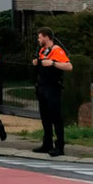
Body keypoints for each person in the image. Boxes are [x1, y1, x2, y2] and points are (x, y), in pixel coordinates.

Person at [32, 27, 73, 156]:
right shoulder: (43, 50)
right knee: (45, 117)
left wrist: (53, 63)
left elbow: (68, 66)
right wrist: (36, 63)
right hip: (42, 87)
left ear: (46, 37)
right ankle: (47, 143)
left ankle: (59, 146)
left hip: (53, 88)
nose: (38, 40)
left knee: (56, 117)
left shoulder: (56, 50)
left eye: (39, 37)